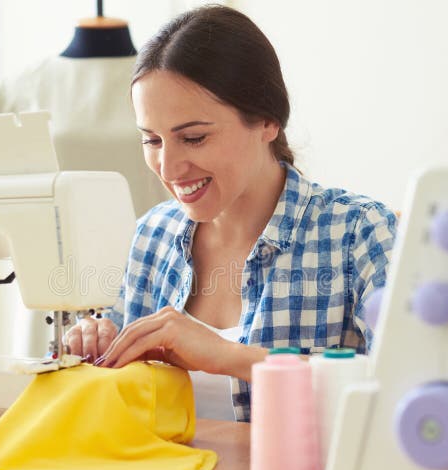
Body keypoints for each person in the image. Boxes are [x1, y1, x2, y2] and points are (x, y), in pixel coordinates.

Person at [64, 5, 396, 422]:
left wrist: (229, 356)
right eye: (152, 140)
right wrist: (94, 342)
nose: (168, 168)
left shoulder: (359, 234)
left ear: (268, 122)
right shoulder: (152, 236)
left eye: (195, 137)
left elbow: (405, 390)